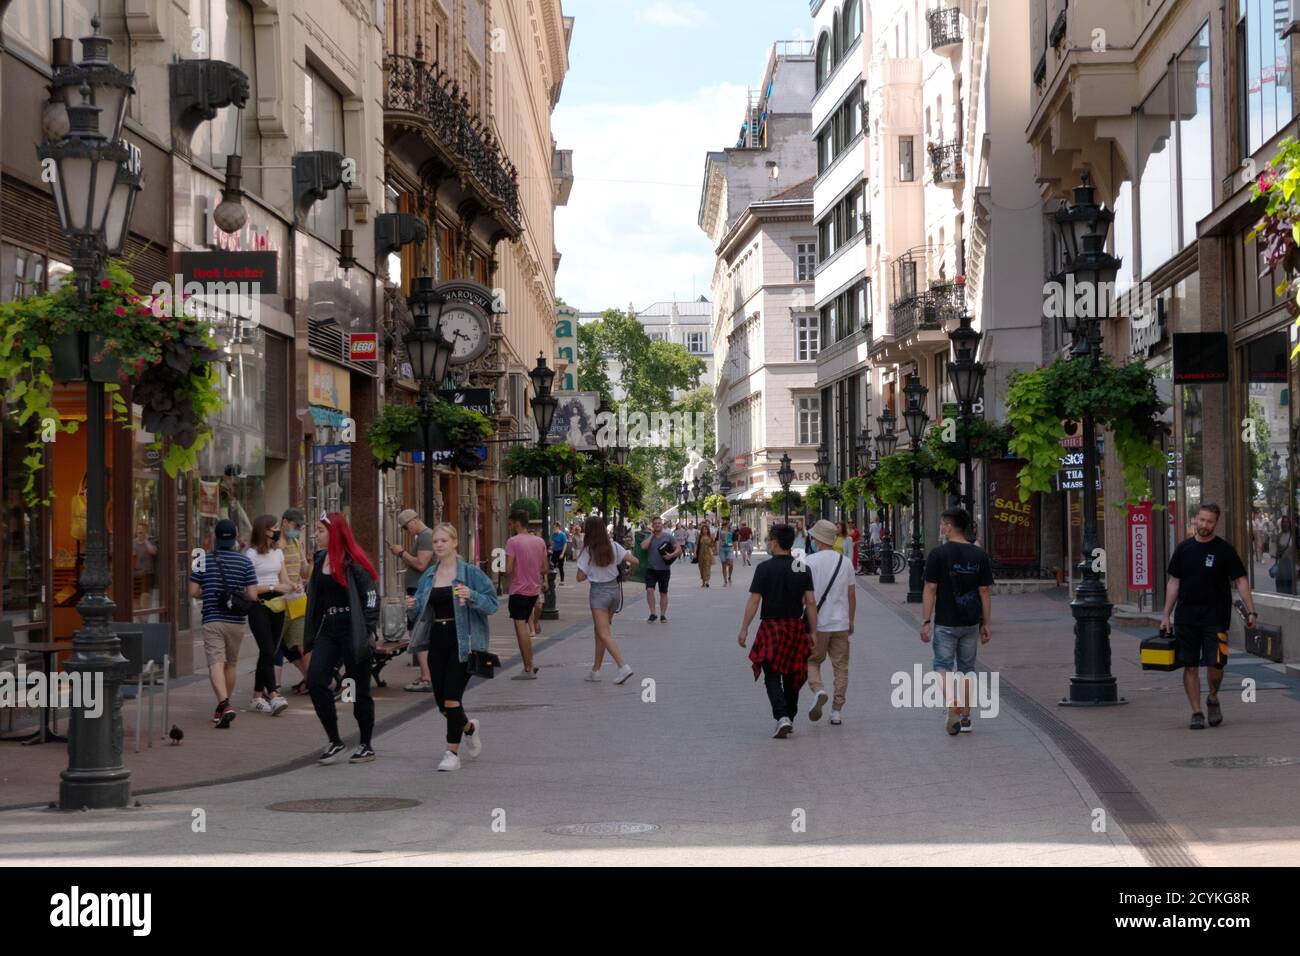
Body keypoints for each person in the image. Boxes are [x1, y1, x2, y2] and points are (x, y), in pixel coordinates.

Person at [409, 522, 499, 771]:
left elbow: (492, 604)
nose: (438, 545)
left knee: (451, 698)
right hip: (437, 640)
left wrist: (471, 595)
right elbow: (420, 610)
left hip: (464, 642)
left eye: (443, 541)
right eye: (436, 541)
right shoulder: (429, 576)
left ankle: (452, 753)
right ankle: (469, 727)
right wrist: (412, 605)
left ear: (454, 543)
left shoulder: (470, 573)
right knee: (442, 704)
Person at [1161, 503, 1257, 731]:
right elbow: (1174, 583)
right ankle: (1196, 711)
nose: (1204, 525)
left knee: (1216, 664)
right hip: (1186, 617)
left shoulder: (1224, 550)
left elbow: (1241, 580)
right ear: (1196, 519)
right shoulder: (1183, 549)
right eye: (1201, 520)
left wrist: (1251, 610)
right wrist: (1166, 615)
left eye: (1209, 521)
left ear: (1216, 523)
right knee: (1190, 665)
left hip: (1215, 617)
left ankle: (1213, 697)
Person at [304, 513, 381, 764]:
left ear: (334, 532)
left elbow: (371, 598)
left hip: (353, 629)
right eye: (316, 529)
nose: (315, 534)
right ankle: (335, 740)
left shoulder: (353, 563)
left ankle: (366, 744)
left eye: (320, 530)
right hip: (329, 628)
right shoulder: (319, 560)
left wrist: (367, 629)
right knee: (315, 680)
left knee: (357, 689)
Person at [738, 523, 817, 738]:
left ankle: (782, 716)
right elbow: (810, 602)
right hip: (794, 626)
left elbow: (754, 601)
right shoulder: (801, 567)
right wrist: (813, 632)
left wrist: (744, 628)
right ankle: (789, 715)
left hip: (771, 627)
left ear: (774, 542)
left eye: (769, 540)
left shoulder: (764, 569)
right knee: (793, 675)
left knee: (771, 674)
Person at [920, 509, 993, 736]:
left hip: (946, 621)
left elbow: (930, 588)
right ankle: (966, 718)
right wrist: (986, 623)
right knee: (967, 669)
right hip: (970, 622)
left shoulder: (938, 554)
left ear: (950, 527)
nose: (941, 527)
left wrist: (925, 620)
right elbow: (985, 591)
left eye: (943, 524)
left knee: (942, 666)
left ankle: (952, 700)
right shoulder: (979, 555)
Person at [188, 519, 259, 728]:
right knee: (231, 664)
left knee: (215, 664)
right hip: (236, 621)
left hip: (212, 619)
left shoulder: (202, 559)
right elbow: (253, 595)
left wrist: (208, 592)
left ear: (215, 538)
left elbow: (192, 592)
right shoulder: (245, 562)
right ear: (235, 538)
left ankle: (224, 704)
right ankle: (224, 705)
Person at [805, 520, 856, 726]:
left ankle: (819, 690)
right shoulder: (845, 562)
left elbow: (806, 597)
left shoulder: (809, 561)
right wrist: (851, 619)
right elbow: (851, 595)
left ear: (817, 539)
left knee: (811, 661)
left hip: (818, 623)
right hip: (841, 622)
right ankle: (836, 711)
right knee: (841, 667)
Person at [575, 516, 638, 684]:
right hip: (614, 592)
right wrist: (629, 573)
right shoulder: (614, 546)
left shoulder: (588, 550)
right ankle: (595, 670)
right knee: (600, 632)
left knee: (604, 633)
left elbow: (579, 577)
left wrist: (590, 570)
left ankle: (622, 666)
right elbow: (635, 561)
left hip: (598, 593)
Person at [244, 514, 292, 716]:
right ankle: (272, 694)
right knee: (267, 647)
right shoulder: (251, 555)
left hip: (278, 604)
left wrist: (291, 587)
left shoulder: (278, 553)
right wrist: (273, 586)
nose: (277, 531)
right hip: (258, 606)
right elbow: (251, 590)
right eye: (274, 528)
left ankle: (256, 696)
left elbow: (286, 581)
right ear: (264, 531)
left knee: (269, 651)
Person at [389, 509, 435, 693]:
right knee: (418, 631)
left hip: (419, 591)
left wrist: (401, 553)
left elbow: (421, 564)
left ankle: (426, 677)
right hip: (418, 590)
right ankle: (427, 675)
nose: (407, 531)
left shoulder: (425, 536)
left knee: (419, 632)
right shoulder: (424, 537)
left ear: (414, 521)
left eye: (406, 527)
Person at [504, 510, 548, 678]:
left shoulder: (512, 542)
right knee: (524, 625)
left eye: (510, 523)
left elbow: (508, 569)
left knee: (520, 626)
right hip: (533, 590)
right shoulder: (539, 541)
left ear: (516, 523)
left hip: (518, 590)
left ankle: (528, 667)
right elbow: (544, 568)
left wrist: (508, 572)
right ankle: (529, 664)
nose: (510, 527)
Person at [276, 508, 312, 694]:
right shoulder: (274, 545)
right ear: (284, 522)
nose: (297, 530)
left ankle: (312, 682)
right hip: (278, 603)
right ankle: (272, 688)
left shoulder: (297, 542)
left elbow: (304, 571)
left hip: (298, 602)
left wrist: (311, 563)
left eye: (300, 527)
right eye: (295, 526)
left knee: (302, 644)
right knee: (275, 646)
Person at [644, 515, 682, 622]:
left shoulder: (668, 536)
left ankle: (663, 615)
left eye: (659, 523)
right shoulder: (649, 537)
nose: (657, 525)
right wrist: (651, 536)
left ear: (662, 525)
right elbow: (643, 547)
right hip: (651, 568)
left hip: (664, 569)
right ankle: (652, 613)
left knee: (663, 592)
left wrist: (671, 555)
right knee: (649, 590)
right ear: (652, 525)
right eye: (655, 523)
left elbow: (679, 549)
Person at [1273, 515, 1294, 594]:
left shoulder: (1292, 536)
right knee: (1280, 585)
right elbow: (1277, 552)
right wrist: (1275, 564)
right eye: (1284, 522)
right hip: (1281, 563)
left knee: (1289, 584)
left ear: (1289, 523)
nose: (1285, 524)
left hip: (1290, 563)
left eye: (1287, 522)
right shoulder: (1279, 536)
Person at [697, 520, 715, 587]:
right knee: (701, 568)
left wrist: (712, 550)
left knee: (707, 567)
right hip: (700, 554)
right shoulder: (700, 537)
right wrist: (695, 554)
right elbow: (697, 545)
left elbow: (713, 546)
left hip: (708, 554)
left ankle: (707, 581)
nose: (705, 531)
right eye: (703, 529)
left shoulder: (710, 537)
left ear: (708, 530)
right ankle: (703, 582)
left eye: (706, 529)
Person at [550, 521, 569, 585]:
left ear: (558, 527)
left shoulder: (562, 534)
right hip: (555, 551)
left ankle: (562, 581)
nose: (553, 529)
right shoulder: (554, 534)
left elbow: (565, 544)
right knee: (551, 565)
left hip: (561, 551)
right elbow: (553, 543)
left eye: (554, 527)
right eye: (553, 528)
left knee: (560, 566)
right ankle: (552, 579)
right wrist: (551, 550)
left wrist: (562, 554)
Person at [718, 519, 735, 586]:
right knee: (724, 565)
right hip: (722, 549)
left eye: (727, 526)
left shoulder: (731, 531)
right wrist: (717, 549)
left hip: (729, 548)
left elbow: (734, 540)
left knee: (730, 564)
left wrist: (735, 546)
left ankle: (729, 576)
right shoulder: (720, 531)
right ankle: (725, 581)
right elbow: (718, 540)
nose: (725, 527)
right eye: (724, 526)